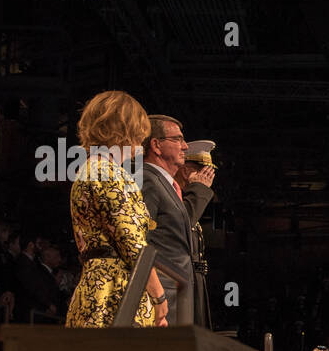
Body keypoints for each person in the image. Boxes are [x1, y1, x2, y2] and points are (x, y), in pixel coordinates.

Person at [65, 91, 169, 328]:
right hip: (116, 292)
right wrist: (159, 296)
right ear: (126, 128)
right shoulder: (107, 172)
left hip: (101, 286)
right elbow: (133, 245)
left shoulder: (93, 169)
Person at [140, 114, 194, 325]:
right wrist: (156, 295)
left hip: (175, 293)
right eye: (178, 139)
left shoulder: (168, 185)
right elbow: (141, 241)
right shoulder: (147, 179)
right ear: (156, 145)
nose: (186, 146)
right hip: (161, 295)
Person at [173, 139, 217, 327]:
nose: (209, 177)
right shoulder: (177, 198)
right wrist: (198, 190)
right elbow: (180, 224)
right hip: (180, 282)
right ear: (186, 171)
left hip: (194, 281)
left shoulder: (185, 198)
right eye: (204, 171)